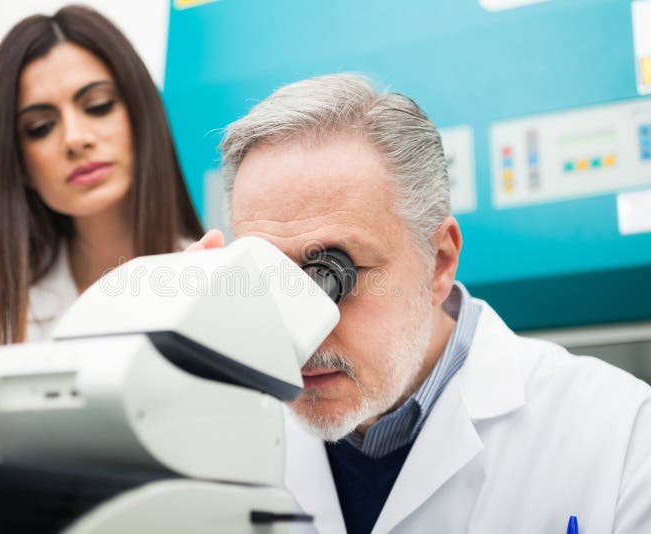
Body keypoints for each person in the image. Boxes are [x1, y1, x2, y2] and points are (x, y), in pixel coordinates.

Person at [198, 74, 651, 533]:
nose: (299, 328)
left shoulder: (620, 439)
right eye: (268, 275)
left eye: (330, 275)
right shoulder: (212, 435)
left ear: (439, 261)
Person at [0, 6, 203, 456]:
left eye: (97, 105)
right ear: (19, 166)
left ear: (141, 117)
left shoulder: (215, 285)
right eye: (40, 127)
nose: (75, 138)